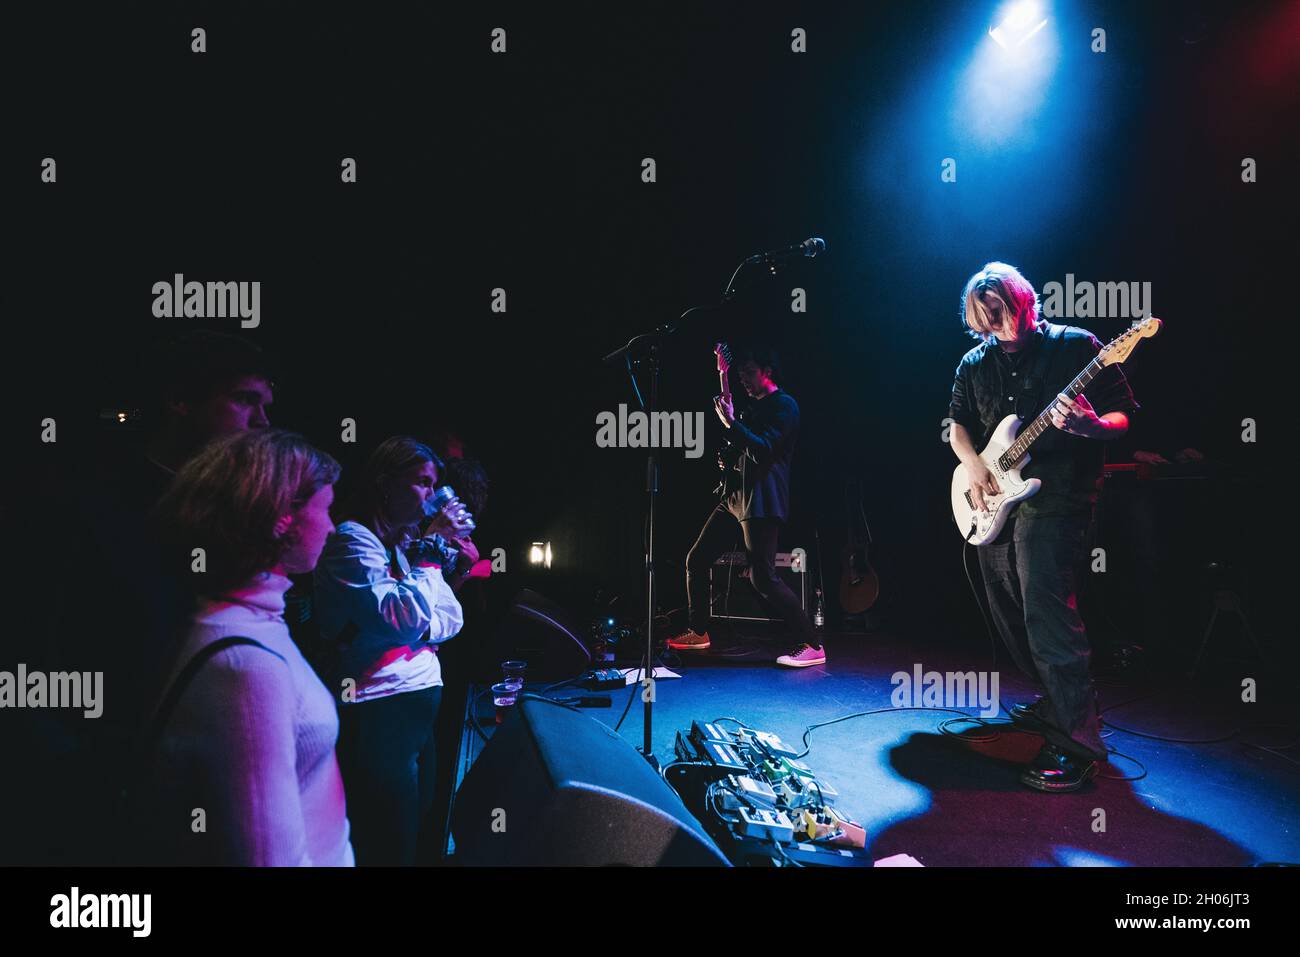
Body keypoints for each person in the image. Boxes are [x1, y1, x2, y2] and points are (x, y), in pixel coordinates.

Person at [947, 262, 1139, 792]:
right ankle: (1059, 703)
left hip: (1057, 496)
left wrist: (1090, 425)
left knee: (1047, 612)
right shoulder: (973, 362)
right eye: (983, 317)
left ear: (1025, 300)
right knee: (1007, 607)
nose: (994, 324)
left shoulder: (1077, 347)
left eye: (1001, 311)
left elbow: (1123, 418)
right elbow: (957, 425)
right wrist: (975, 465)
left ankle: (1078, 745)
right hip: (995, 497)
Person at [146, 429, 352, 864]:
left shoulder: (253, 625)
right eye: (327, 510)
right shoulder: (245, 665)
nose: (333, 527)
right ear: (282, 517)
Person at [313, 437, 472, 865]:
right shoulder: (352, 540)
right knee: (389, 843)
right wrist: (432, 555)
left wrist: (418, 624)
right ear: (385, 484)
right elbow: (402, 619)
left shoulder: (402, 546)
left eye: (434, 484)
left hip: (415, 710)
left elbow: (449, 618)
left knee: (421, 828)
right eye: (422, 482)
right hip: (377, 711)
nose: (432, 496)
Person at [666, 345, 825, 668]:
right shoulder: (752, 407)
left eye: (749, 373)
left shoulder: (785, 406)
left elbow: (763, 449)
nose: (745, 381)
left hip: (762, 500)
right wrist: (722, 375)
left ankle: (812, 643)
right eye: (740, 376)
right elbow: (738, 438)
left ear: (767, 371)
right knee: (696, 560)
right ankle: (699, 631)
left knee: (763, 579)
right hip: (734, 498)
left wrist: (731, 426)